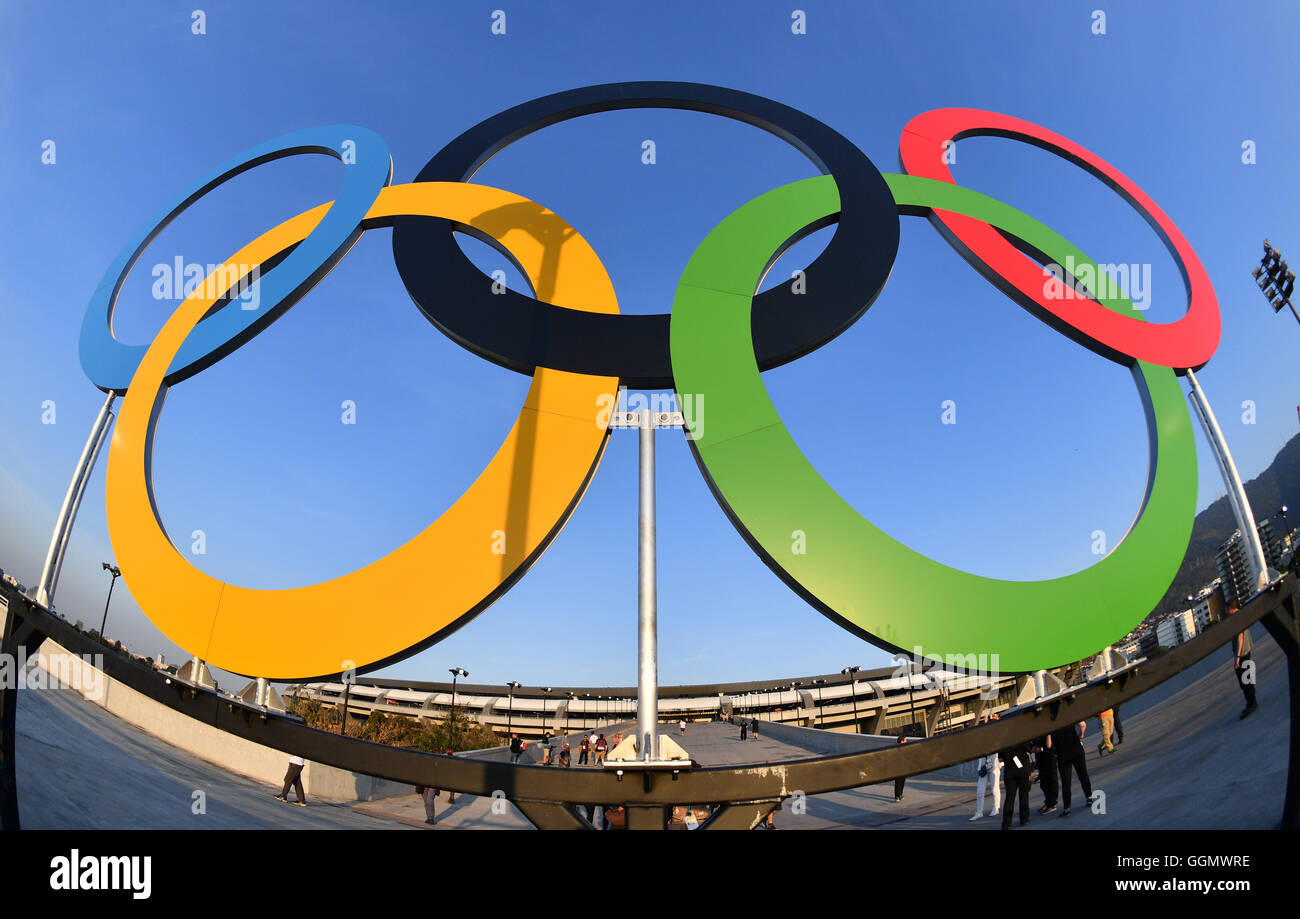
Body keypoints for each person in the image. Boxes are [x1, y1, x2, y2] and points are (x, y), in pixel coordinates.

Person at [1226, 602, 1260, 719]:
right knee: (1247, 679)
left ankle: (1252, 703)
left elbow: (1240, 637)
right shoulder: (1241, 615)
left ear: (1230, 608)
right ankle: (1251, 702)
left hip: (1242, 653)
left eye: (1227, 609)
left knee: (1244, 681)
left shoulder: (1235, 619)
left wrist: (1238, 658)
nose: (1226, 612)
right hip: (1247, 650)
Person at [1052, 720, 1092, 817]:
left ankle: (1067, 808)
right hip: (1076, 749)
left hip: (1063, 754)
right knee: (1083, 774)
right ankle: (1089, 797)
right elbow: (1083, 725)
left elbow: (1049, 744)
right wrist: (1080, 735)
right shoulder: (1068, 715)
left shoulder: (1051, 723)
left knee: (1066, 782)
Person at [970, 714, 1001, 821]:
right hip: (983, 767)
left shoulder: (995, 738)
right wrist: (980, 768)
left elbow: (999, 733)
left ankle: (996, 807)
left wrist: (996, 720)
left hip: (994, 766)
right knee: (980, 791)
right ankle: (979, 812)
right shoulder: (982, 739)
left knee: (994, 788)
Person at [1000, 738, 1034, 829]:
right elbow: (1030, 749)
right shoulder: (1021, 736)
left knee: (1009, 798)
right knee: (1023, 795)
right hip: (1023, 770)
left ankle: (1006, 823)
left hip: (1010, 772)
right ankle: (1024, 819)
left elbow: (1000, 758)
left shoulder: (1003, 740)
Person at [1035, 733, 1058, 815]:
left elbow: (1049, 745)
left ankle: (1052, 803)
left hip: (1049, 757)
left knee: (1051, 780)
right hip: (1040, 758)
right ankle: (1048, 802)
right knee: (1044, 783)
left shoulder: (1047, 730)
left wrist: (1041, 749)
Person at [894, 735, 908, 802]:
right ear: (902, 741)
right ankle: (897, 796)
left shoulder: (905, 748)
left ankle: (900, 794)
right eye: (905, 740)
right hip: (897, 769)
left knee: (902, 782)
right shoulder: (896, 748)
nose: (906, 741)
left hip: (903, 768)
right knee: (898, 782)